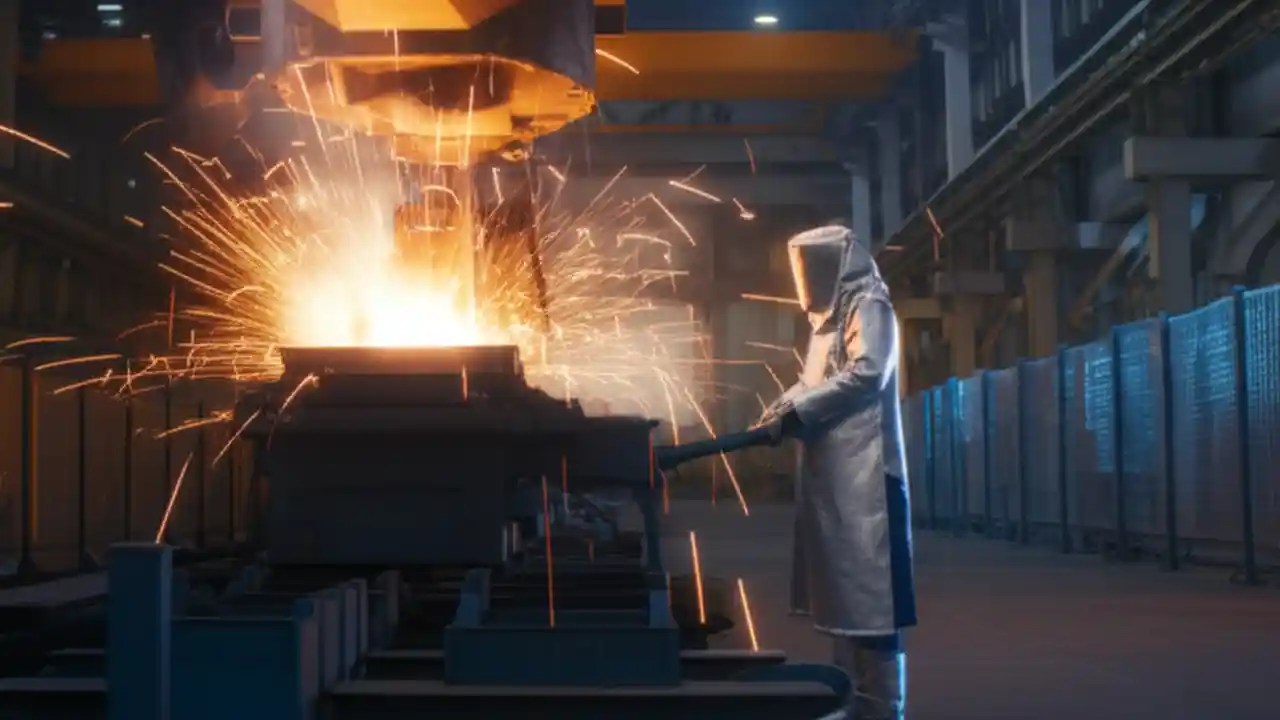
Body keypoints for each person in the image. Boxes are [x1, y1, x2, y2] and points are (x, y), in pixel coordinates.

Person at [758, 225, 916, 720]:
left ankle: (883, 707)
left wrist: (798, 412)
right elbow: (812, 383)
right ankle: (854, 702)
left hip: (868, 479)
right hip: (836, 479)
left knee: (873, 605)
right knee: (845, 602)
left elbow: (868, 373)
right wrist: (778, 408)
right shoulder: (827, 321)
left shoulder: (869, 306)